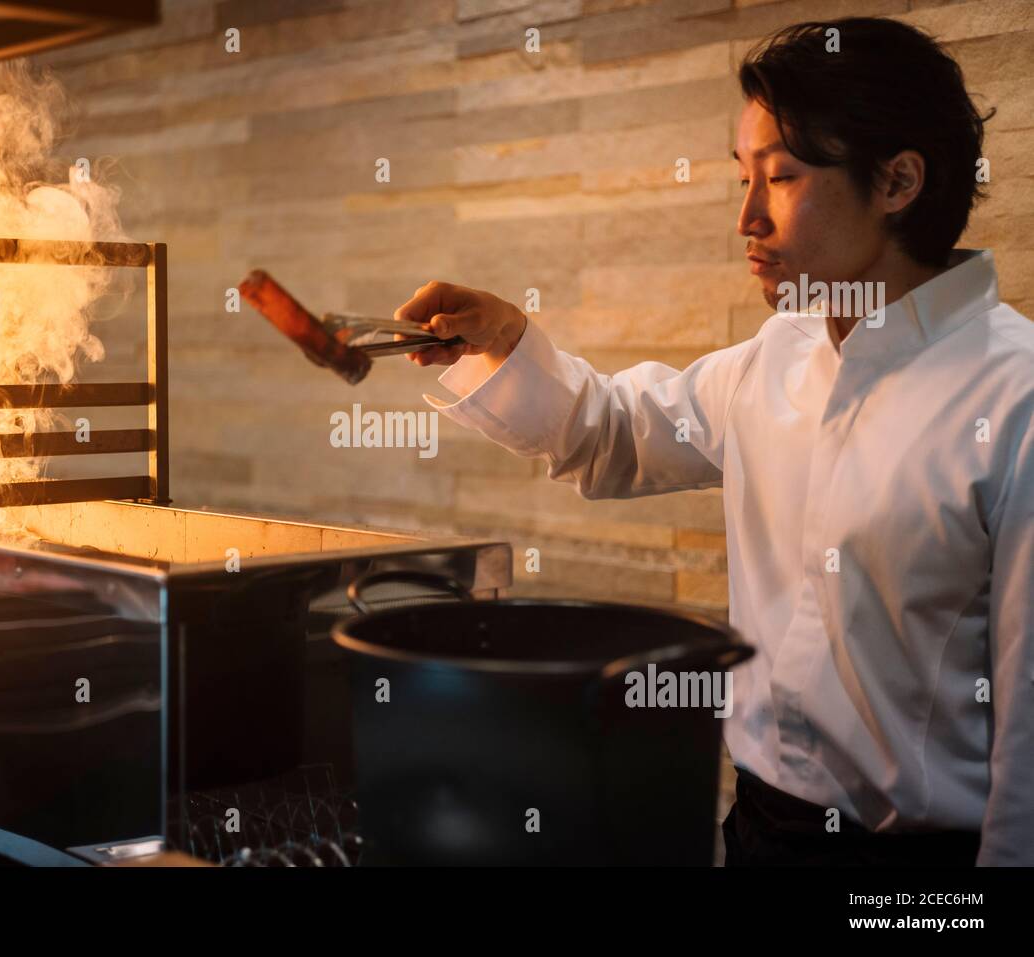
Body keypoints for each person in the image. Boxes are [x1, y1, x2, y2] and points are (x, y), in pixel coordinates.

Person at [394, 17, 1032, 867]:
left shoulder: (1015, 397)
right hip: (754, 832)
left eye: (783, 177)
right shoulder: (779, 354)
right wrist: (504, 338)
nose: (746, 218)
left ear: (898, 181)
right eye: (744, 177)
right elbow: (611, 431)